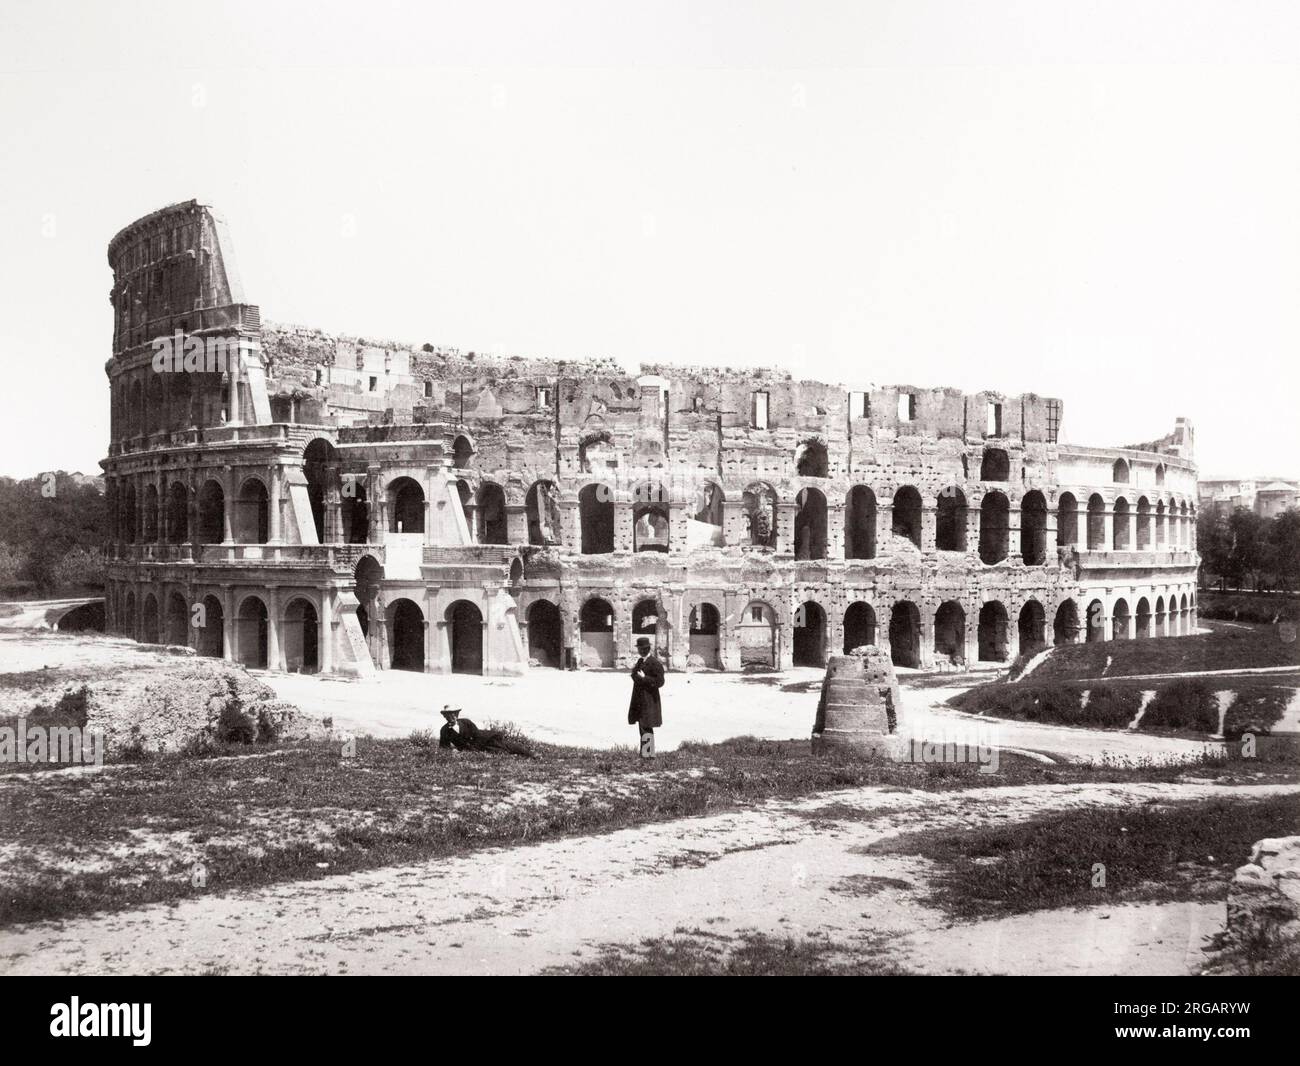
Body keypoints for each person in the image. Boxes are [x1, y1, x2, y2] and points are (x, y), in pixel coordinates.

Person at [437, 705, 533, 757]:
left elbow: (477, 735)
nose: (453, 717)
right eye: (449, 714)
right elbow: (443, 747)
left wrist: (474, 750)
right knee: (501, 753)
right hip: (478, 748)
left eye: (455, 714)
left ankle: (531, 755)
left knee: (506, 746)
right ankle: (521, 756)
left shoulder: (466, 722)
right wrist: (454, 750)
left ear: (457, 714)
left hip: (486, 739)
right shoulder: (444, 731)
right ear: (445, 716)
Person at [627, 636, 664, 758]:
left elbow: (660, 682)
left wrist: (644, 678)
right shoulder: (640, 662)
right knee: (642, 725)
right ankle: (646, 753)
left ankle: (648, 754)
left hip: (649, 700)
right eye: (639, 649)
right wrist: (636, 676)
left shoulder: (654, 663)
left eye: (643, 649)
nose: (641, 651)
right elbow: (633, 675)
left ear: (648, 649)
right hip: (639, 699)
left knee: (646, 725)